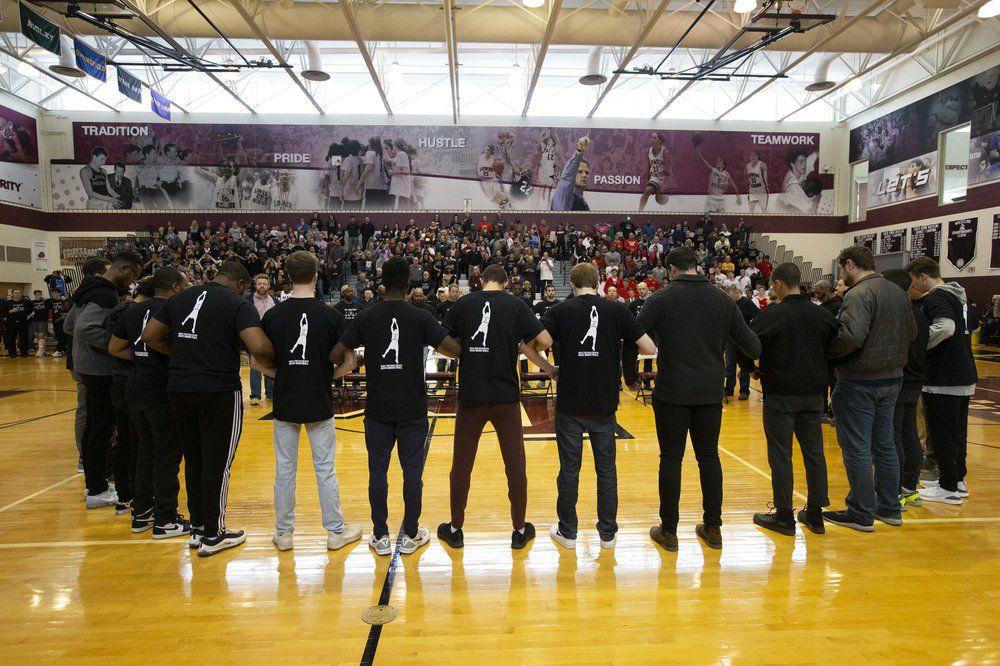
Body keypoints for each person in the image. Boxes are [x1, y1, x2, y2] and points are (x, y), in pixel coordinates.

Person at [142, 260, 276, 557]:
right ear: (241, 284)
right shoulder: (237, 303)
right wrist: (278, 365)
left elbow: (150, 336)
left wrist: (182, 353)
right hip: (218, 389)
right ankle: (214, 534)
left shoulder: (180, 297)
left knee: (194, 460)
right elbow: (260, 348)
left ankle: (199, 528)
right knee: (218, 464)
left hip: (179, 387)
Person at [334, 256, 460, 555]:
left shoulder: (366, 316)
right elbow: (455, 351)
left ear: (382, 283)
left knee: (377, 472)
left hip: (378, 408)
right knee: (412, 473)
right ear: (408, 283)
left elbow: (337, 352)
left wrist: (356, 356)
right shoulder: (421, 317)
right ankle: (411, 534)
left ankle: (380, 536)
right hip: (411, 408)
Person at [639, 247, 760, 551]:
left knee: (671, 459)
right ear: (697, 266)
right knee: (709, 457)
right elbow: (753, 346)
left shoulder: (660, 299)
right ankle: (713, 528)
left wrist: (631, 373)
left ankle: (669, 532)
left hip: (672, 392)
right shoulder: (722, 300)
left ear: (670, 269)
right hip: (709, 392)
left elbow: (634, 336)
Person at [537, 262, 656, 549]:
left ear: (572, 284)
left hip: (570, 403)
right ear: (598, 283)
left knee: (569, 471)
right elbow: (650, 348)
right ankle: (607, 535)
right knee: (607, 471)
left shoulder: (560, 311)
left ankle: (568, 533)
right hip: (604, 404)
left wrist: (549, 368)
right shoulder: (617, 310)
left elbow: (535, 343)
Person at [438, 263, 552, 549]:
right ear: (505, 282)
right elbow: (545, 340)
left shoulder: (463, 303)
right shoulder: (516, 304)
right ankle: (520, 529)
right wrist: (524, 349)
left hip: (471, 396)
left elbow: (440, 341)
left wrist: (465, 353)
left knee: (461, 465)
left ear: (482, 280)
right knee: (515, 465)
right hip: (506, 397)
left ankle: (455, 528)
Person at [259, 251, 363, 552]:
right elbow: (350, 362)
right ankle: (335, 532)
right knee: (325, 468)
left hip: (286, 402)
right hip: (318, 399)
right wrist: (325, 376)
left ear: (287, 277)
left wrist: (282, 375)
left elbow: (256, 361)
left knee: (285, 469)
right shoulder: (330, 315)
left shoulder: (273, 315)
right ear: (316, 276)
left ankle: (284, 534)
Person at [825, 246, 915, 531]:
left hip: (860, 379)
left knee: (857, 447)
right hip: (893, 377)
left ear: (850, 264)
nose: (841, 274)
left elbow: (851, 336)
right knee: (884, 444)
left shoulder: (859, 293)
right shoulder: (897, 292)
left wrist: (828, 353)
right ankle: (889, 507)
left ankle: (860, 511)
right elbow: (912, 332)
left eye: (841, 268)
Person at [750, 263, 838, 536]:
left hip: (780, 393)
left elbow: (748, 342)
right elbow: (837, 345)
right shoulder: (822, 315)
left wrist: (753, 367)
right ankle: (816, 514)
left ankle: (784, 515)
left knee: (781, 454)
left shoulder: (773, 315)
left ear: (777, 284)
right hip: (814, 394)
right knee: (814, 453)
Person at [109, 269, 192, 537]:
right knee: (167, 455)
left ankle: (142, 513)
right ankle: (166, 519)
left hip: (135, 388)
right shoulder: (174, 310)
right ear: (176, 286)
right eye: (185, 285)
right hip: (161, 390)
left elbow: (114, 348)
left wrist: (142, 358)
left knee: (145, 451)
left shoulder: (132, 310)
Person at [66, 251, 143, 509]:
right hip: (100, 370)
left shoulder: (86, 289)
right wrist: (113, 345)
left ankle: (94, 483)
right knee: (101, 429)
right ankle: (97, 489)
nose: (132, 282)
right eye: (133, 275)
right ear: (123, 269)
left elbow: (68, 325)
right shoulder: (105, 294)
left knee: (93, 427)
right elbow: (83, 328)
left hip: (85, 366)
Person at [905, 257, 978, 505]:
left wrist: (919, 345)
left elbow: (946, 328)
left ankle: (947, 486)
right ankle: (956, 479)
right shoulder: (958, 296)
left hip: (944, 376)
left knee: (942, 433)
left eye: (913, 281)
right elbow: (968, 327)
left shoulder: (937, 297)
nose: (913, 286)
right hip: (963, 372)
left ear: (922, 276)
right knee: (957, 432)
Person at [881, 269, 929, 510]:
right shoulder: (919, 313)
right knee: (909, 435)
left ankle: (896, 490)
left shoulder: (900, 313)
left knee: (894, 437)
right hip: (915, 380)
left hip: (900, 380)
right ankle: (909, 487)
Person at [724, 284, 759, 401]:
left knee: (744, 366)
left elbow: (758, 316)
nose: (730, 300)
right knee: (730, 365)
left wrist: (750, 330)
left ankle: (744, 391)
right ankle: (729, 389)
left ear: (737, 292)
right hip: (730, 340)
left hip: (743, 340)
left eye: (731, 297)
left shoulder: (746, 302)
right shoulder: (729, 304)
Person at [248, 275, 278, 406]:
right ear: (255, 285)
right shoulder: (248, 300)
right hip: (254, 337)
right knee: (255, 366)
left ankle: (270, 394)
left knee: (269, 365)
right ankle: (255, 395)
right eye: (259, 283)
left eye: (264, 284)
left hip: (271, 338)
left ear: (269, 286)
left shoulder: (275, 301)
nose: (262, 286)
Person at [551, 136, 591, 211]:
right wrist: (579, 151)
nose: (584, 175)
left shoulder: (583, 204)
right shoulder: (564, 196)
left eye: (587, 172)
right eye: (580, 172)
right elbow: (567, 177)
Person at [2, 288, 30, 357]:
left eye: (19, 293)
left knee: (24, 338)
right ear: (12, 294)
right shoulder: (7, 303)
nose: (17, 294)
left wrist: (28, 316)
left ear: (21, 294)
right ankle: (12, 353)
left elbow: (31, 310)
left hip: (23, 322)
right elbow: (3, 313)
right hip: (11, 323)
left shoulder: (26, 302)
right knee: (11, 338)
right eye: (16, 293)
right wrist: (10, 311)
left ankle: (24, 353)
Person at [27, 289, 51, 357]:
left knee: (41, 335)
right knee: (37, 335)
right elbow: (29, 310)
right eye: (38, 294)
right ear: (34, 295)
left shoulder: (45, 301)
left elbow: (52, 301)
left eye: (40, 294)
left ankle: (40, 351)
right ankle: (42, 350)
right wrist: (30, 315)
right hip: (35, 320)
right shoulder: (32, 302)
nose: (39, 296)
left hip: (43, 320)